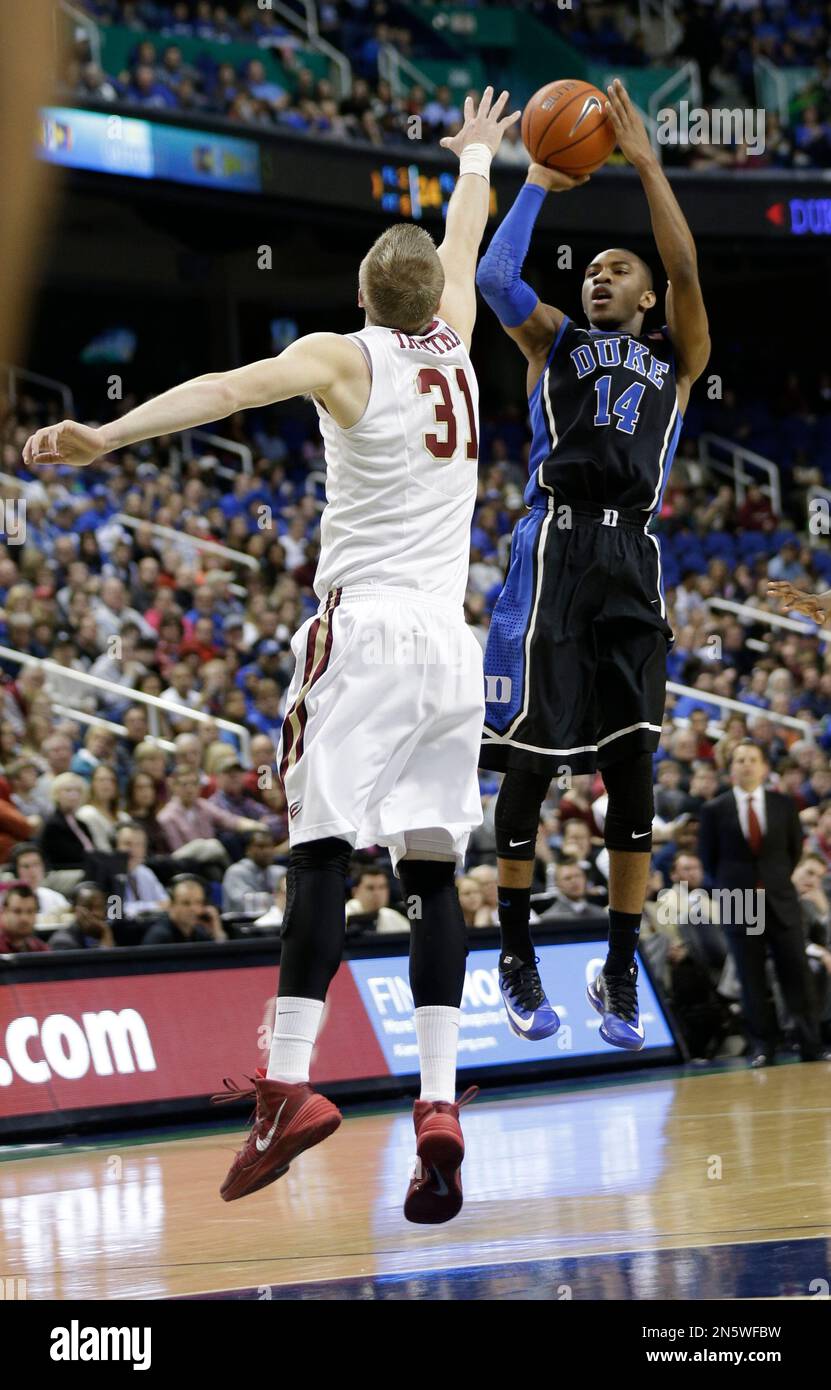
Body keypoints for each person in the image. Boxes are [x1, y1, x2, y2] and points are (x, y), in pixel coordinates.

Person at [24, 89, 519, 1225]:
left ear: (358, 294)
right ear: (431, 300)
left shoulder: (340, 357)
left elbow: (223, 390)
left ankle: (287, 1087)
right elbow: (463, 242)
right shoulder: (460, 344)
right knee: (436, 871)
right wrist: (478, 157)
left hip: (366, 628)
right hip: (455, 639)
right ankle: (439, 1105)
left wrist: (104, 430)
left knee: (320, 849)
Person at [474, 79, 710, 1049]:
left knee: (635, 771)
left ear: (649, 298)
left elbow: (689, 270)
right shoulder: (554, 341)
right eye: (595, 269)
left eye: (621, 270)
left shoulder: (678, 358)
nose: (601, 278)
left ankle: (619, 968)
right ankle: (518, 950)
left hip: (632, 556)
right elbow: (494, 280)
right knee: (528, 765)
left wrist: (649, 165)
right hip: (554, 543)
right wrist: (533, 182)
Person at [699, 740, 828, 1066]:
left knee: (796, 973)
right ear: (731, 769)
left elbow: (792, 852)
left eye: (752, 759)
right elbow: (709, 861)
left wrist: (774, 881)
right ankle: (762, 1046)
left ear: (764, 767)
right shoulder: (715, 809)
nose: (746, 765)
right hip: (739, 902)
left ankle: (810, 1043)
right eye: (739, 759)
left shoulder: (783, 805)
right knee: (751, 976)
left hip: (780, 901)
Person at [142, 874, 225, 945]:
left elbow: (220, 960)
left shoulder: (199, 933)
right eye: (186, 903)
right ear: (171, 905)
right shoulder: (159, 937)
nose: (193, 909)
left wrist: (217, 931)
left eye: (198, 902)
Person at [221, 827, 283, 914]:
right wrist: (279, 900)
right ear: (248, 850)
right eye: (261, 846)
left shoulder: (279, 872)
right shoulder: (235, 872)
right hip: (241, 924)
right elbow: (246, 904)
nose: (267, 851)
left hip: (274, 921)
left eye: (270, 846)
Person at [8, 842, 71, 927]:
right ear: (15, 871)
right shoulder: (4, 900)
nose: (33, 871)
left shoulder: (55, 898)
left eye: (36, 864)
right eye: (26, 866)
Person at [49, 882, 116, 950]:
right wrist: (105, 932)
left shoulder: (118, 934)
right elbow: (103, 960)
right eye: (88, 907)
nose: (95, 913)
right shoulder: (62, 941)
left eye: (99, 907)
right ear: (73, 909)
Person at [345, 862, 408, 934]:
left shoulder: (391, 916)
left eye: (382, 887)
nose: (377, 893)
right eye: (370, 888)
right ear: (355, 892)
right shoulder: (342, 917)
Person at [0, 883, 49, 953]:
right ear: (3, 912)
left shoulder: (41, 949)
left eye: (30, 911)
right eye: (17, 911)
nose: (24, 918)